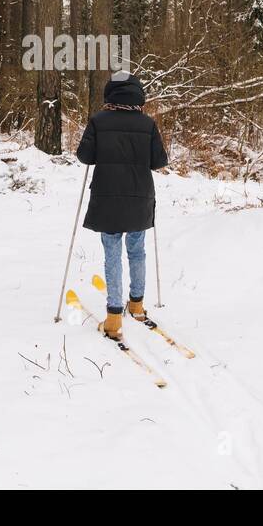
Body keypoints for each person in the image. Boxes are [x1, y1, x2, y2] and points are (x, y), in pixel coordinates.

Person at [75, 71, 169, 340]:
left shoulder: (98, 120)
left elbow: (84, 156)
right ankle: (137, 305)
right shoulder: (147, 124)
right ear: (138, 93)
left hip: (107, 198)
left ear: (110, 93)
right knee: (137, 251)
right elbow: (159, 161)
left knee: (113, 253)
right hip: (140, 198)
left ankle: (114, 317)